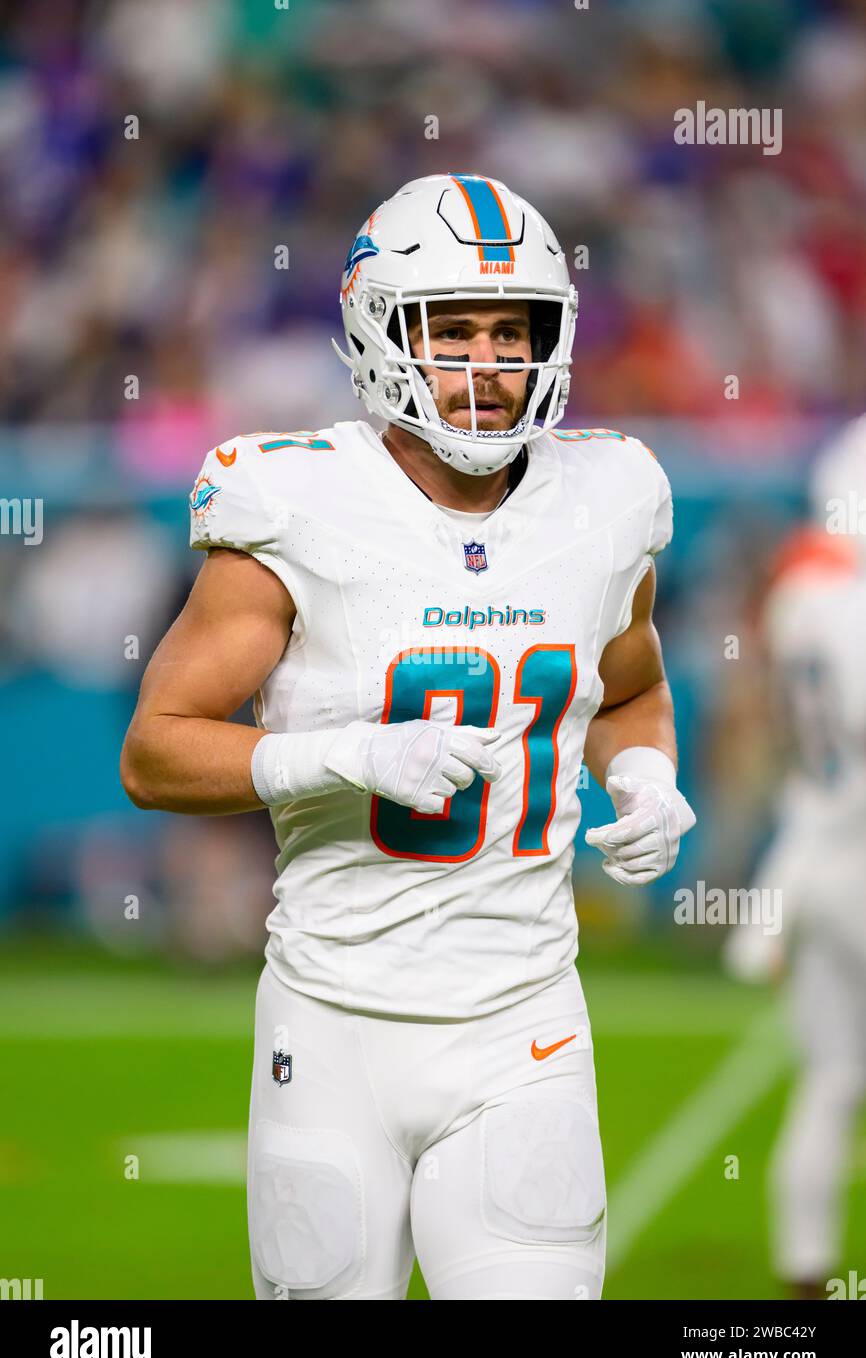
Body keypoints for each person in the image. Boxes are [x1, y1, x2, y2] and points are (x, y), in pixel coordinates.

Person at [121, 173, 695, 1300]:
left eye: (512, 330)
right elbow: (155, 749)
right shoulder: (293, 502)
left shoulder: (608, 497)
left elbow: (629, 687)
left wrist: (644, 772)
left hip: (522, 1017)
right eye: (454, 331)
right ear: (381, 331)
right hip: (331, 1020)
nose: (487, 362)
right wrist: (335, 755)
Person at [724, 415, 866, 1300]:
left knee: (834, 1075)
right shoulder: (846, 599)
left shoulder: (797, 589)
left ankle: (805, 1283)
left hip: (809, 851)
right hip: (858, 851)